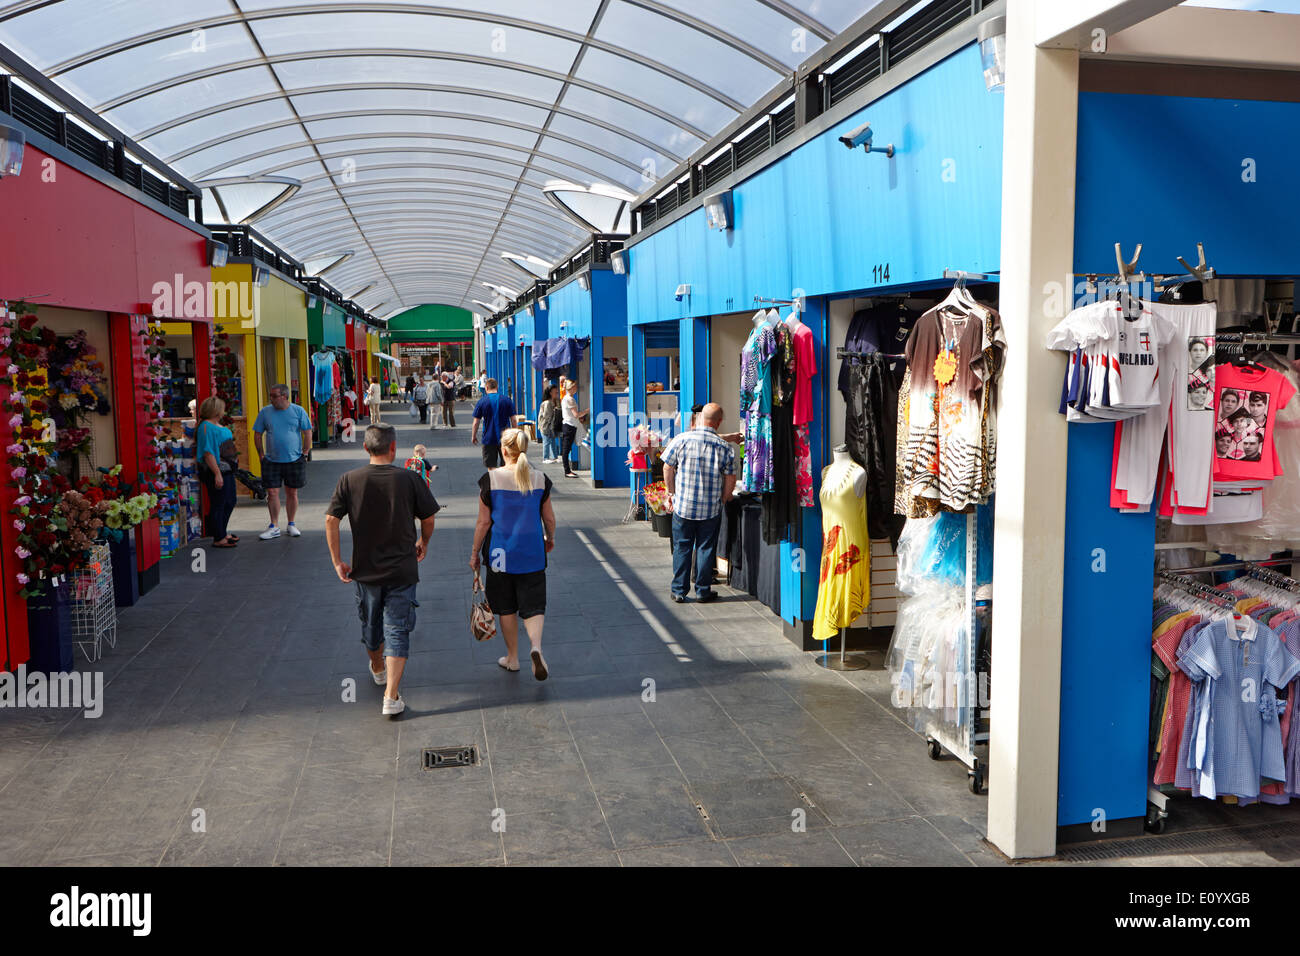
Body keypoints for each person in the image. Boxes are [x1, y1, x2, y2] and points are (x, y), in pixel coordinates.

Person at [325, 424, 440, 717]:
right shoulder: (410, 479)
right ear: (394, 448)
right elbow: (428, 517)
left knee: (371, 626)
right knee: (398, 629)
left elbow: (331, 520)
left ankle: (378, 668)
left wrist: (338, 560)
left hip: (366, 570)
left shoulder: (349, 480)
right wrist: (423, 542)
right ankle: (391, 696)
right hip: (402, 568)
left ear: (366, 448)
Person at [470, 427, 555, 680]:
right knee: (534, 604)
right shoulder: (540, 479)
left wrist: (475, 552)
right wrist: (550, 539)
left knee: (506, 607)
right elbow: (548, 517)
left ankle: (513, 658)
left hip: (499, 553)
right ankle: (536, 647)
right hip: (532, 550)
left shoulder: (490, 480)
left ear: (503, 450)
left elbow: (483, 523)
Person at [662, 403, 736, 603]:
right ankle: (703, 591)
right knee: (705, 548)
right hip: (710, 508)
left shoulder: (681, 439)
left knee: (682, 547)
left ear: (700, 418)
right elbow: (730, 477)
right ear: (719, 422)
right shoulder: (724, 447)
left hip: (683, 506)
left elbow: (667, 467)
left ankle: (679, 590)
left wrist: (671, 493)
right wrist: (724, 497)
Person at [252, 384, 314, 540]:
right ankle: (274, 525)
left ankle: (291, 523)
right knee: (272, 492)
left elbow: (307, 431)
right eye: (270, 396)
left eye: (274, 396)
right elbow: (257, 434)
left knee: (292, 492)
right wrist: (261, 455)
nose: (271, 399)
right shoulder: (265, 412)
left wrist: (305, 453)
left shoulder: (298, 411)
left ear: (284, 396)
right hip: (271, 460)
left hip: (294, 458)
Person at [196, 396, 239, 549]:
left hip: (227, 469)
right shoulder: (206, 427)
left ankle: (222, 531)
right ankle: (219, 537)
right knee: (219, 503)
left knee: (230, 501)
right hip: (217, 470)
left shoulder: (215, 425)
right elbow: (208, 452)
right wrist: (217, 473)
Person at [471, 377, 517, 468]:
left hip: (488, 438)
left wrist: (474, 436)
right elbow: (514, 420)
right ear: (497, 387)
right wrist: (515, 435)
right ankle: (504, 481)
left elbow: (476, 422)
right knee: (507, 465)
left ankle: (494, 481)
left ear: (486, 388)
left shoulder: (482, 402)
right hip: (505, 438)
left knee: (491, 467)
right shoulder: (506, 400)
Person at [559, 379, 587, 478]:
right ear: (570, 388)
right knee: (566, 448)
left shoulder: (566, 398)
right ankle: (567, 471)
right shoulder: (570, 399)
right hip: (570, 425)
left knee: (567, 448)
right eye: (574, 386)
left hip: (568, 425)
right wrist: (587, 411)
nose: (576, 388)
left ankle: (568, 470)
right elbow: (576, 414)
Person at [538, 385, 562, 463]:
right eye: (555, 392)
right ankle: (545, 458)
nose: (557, 393)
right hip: (546, 426)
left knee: (552, 441)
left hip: (551, 426)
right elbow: (546, 416)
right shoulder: (547, 403)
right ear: (551, 393)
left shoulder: (555, 401)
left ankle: (555, 457)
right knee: (547, 441)